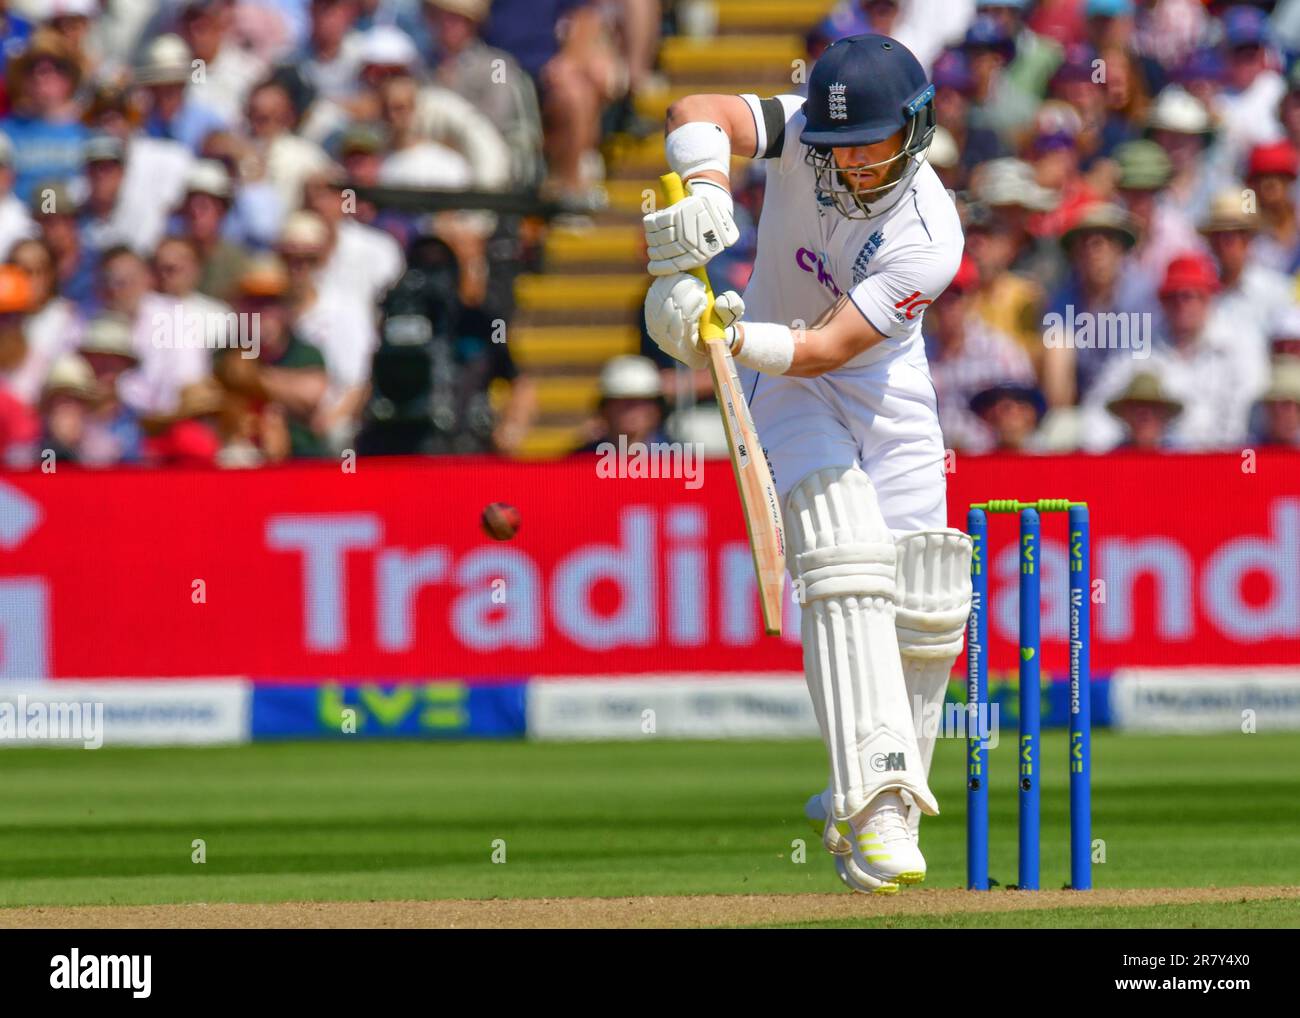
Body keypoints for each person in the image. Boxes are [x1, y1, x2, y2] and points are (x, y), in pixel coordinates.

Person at [642, 34, 968, 894]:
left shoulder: (932, 235)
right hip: (785, 393)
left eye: (872, 146)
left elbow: (829, 346)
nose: (853, 165)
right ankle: (880, 802)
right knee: (845, 558)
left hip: (874, 379)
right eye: (840, 147)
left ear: (914, 132)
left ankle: (866, 792)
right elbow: (695, 112)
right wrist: (709, 188)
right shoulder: (803, 137)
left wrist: (728, 333)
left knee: (931, 597)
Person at [572, 354, 668, 453]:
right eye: (621, 400)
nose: (630, 408)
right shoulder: (577, 463)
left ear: (657, 409)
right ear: (605, 408)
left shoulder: (678, 463)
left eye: (639, 401)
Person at [1103, 370, 1183, 450]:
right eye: (1137, 408)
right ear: (1126, 414)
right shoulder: (1112, 459)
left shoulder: (1180, 457)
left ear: (1164, 415)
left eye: (1153, 407)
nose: (1146, 415)